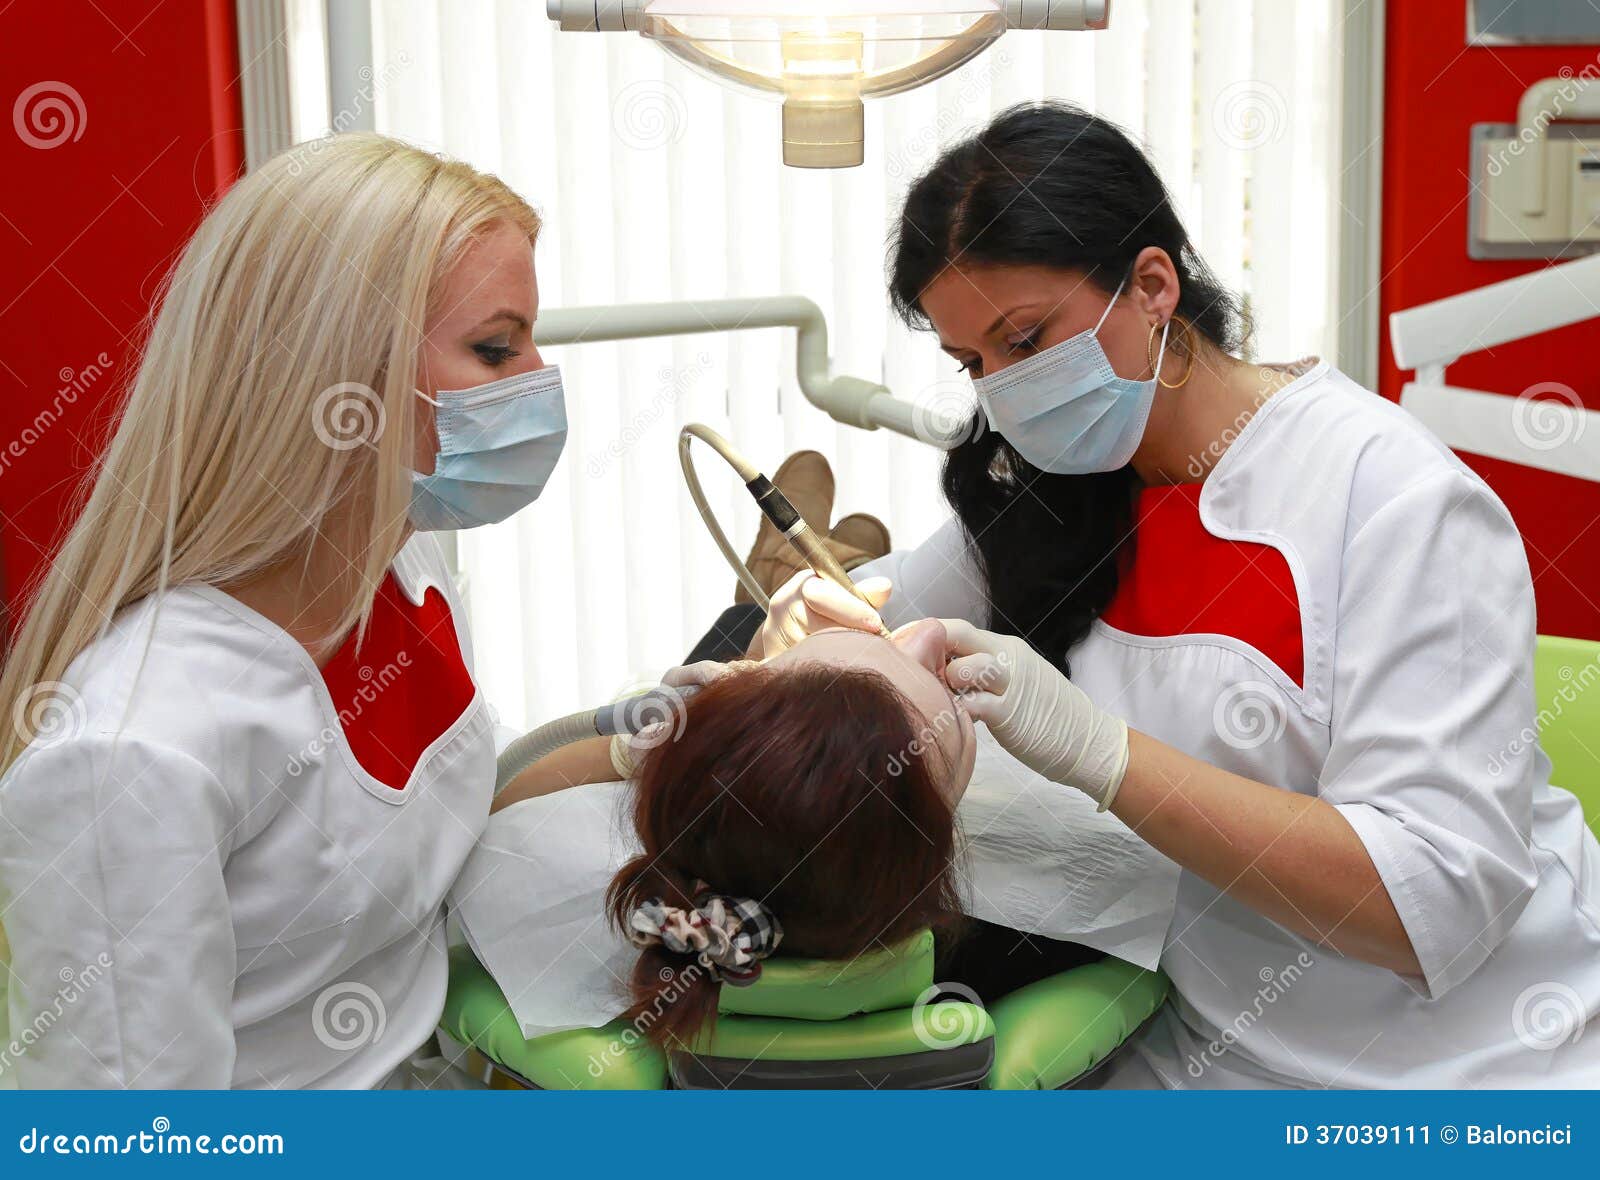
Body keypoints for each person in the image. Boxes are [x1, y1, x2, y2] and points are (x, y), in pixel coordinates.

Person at [762, 103, 1600, 1087]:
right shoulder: (1055, 495)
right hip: (1208, 1050)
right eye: (971, 362)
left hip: (1479, 1065)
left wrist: (1103, 755)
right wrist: (806, 621)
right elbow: (889, 602)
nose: (1003, 391)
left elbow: (1431, 905)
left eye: (1026, 338)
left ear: (1152, 285)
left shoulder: (1388, 496)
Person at [0, 134, 566, 1088]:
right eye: (496, 347)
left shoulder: (398, 577)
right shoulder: (134, 753)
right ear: (337, 375)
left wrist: (673, 727)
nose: (540, 379)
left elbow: (439, 840)